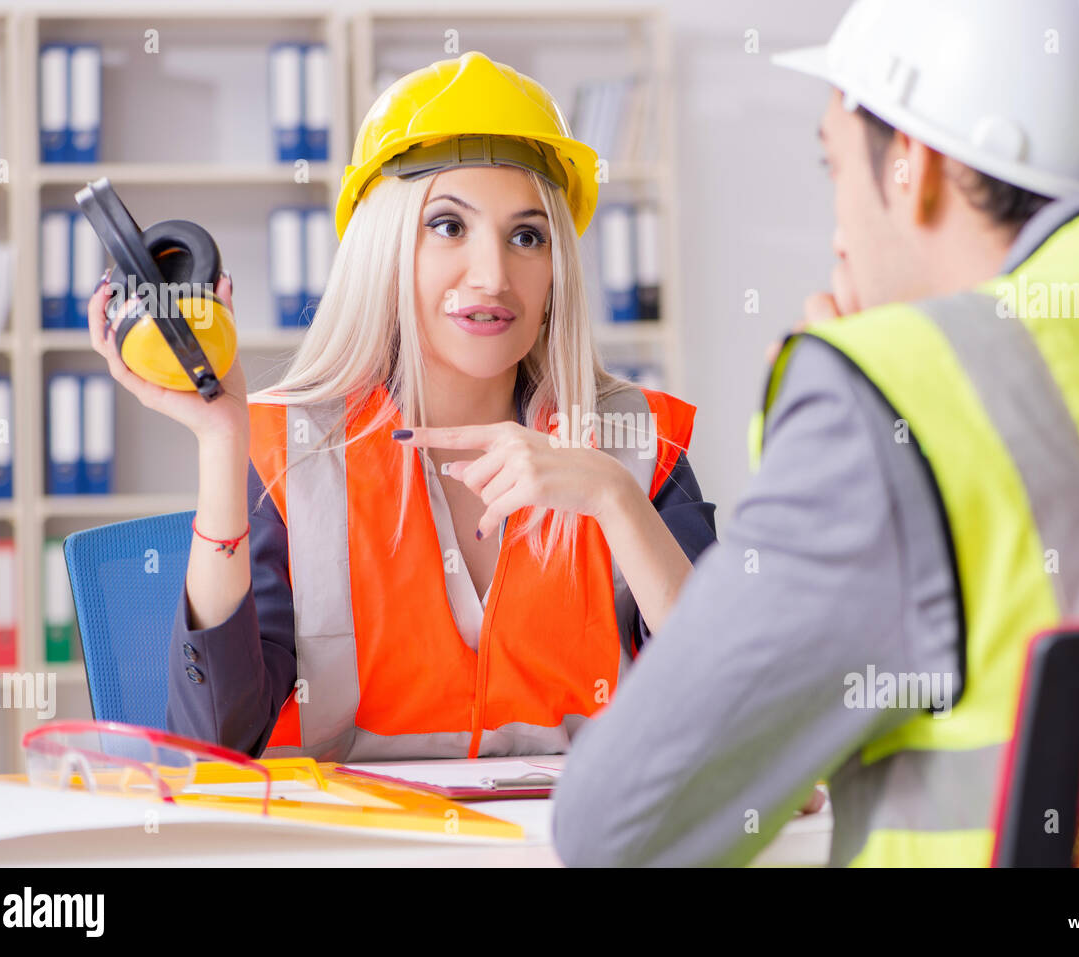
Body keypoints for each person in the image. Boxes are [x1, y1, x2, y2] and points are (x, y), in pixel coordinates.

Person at [552, 0, 1079, 866]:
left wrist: (842, 404)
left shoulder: (885, 397)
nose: (838, 225)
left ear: (909, 169)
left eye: (832, 163)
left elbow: (620, 829)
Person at [85, 51, 716, 762]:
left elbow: (743, 709)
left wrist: (614, 497)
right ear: (385, 251)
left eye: (527, 236)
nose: (492, 275)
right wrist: (222, 446)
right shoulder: (294, 453)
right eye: (448, 226)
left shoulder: (638, 444)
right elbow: (212, 744)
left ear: (557, 272)